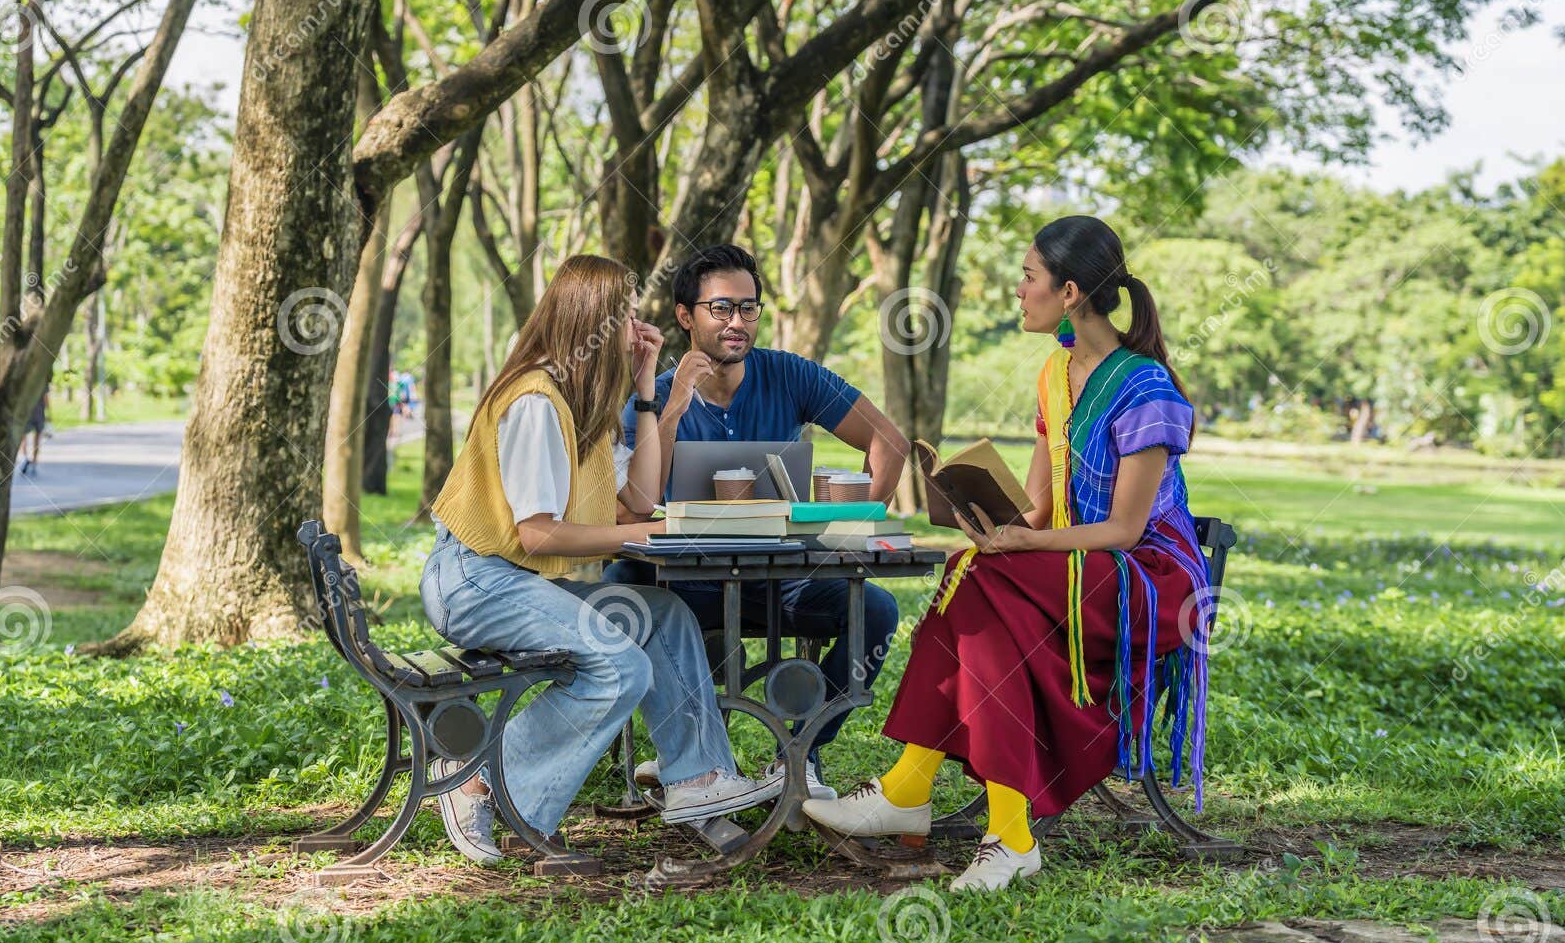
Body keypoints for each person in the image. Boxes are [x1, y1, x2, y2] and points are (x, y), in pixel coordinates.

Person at [802, 216, 1214, 892]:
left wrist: (1021, 542)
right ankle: (990, 826)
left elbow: (1125, 529)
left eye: (1028, 277)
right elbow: (1040, 507)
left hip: (1150, 579)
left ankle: (929, 795)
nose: (1017, 291)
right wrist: (987, 519)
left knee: (987, 581)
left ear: (1071, 291)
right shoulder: (1056, 373)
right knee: (973, 569)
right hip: (1076, 565)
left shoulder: (1147, 389)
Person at [420, 254, 777, 865]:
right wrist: (641, 537)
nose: (639, 328)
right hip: (474, 581)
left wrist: (649, 394)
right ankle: (479, 780)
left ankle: (697, 781)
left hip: (511, 580)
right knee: (620, 668)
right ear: (592, 321)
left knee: (660, 614)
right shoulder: (536, 401)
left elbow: (635, 501)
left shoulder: (583, 403)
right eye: (628, 315)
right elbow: (536, 534)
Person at [601, 244, 909, 799]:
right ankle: (688, 754)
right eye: (720, 309)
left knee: (878, 610)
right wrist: (672, 409)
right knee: (620, 587)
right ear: (684, 315)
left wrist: (850, 530)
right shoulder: (653, 398)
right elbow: (633, 509)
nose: (737, 322)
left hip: (780, 582)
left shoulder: (790, 374)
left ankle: (799, 754)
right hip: (686, 586)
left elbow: (890, 442)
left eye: (748, 308)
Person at [19, 386, 49, 476]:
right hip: (38, 412)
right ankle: (34, 462)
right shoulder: (42, 379)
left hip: (27, 412)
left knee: (23, 436)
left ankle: (25, 458)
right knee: (37, 437)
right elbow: (46, 398)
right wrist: (49, 413)